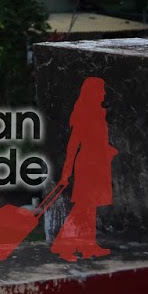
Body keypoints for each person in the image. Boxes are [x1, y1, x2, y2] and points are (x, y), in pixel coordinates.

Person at [48, 76, 116, 260]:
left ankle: (88, 246)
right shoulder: (83, 113)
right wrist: (66, 172)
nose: (104, 93)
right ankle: (63, 246)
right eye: (101, 89)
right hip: (87, 164)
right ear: (93, 92)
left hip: (98, 162)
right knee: (83, 207)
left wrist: (109, 151)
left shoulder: (98, 113)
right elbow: (74, 144)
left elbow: (98, 141)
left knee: (90, 208)